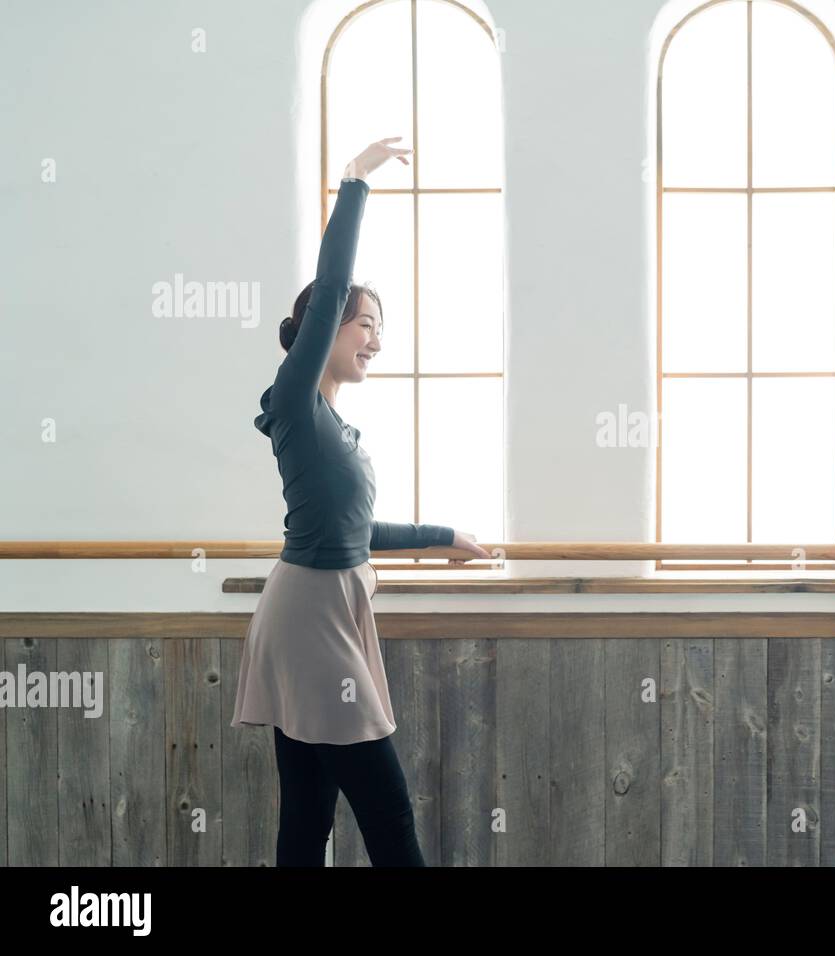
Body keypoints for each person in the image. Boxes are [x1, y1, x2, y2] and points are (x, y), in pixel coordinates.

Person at [230, 137, 491, 867]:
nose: (376, 339)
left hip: (327, 606)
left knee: (308, 815)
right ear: (328, 327)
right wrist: (353, 182)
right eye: (365, 324)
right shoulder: (294, 396)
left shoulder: (335, 428)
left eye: (379, 326)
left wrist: (447, 535)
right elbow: (332, 275)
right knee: (389, 815)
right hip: (311, 617)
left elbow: (355, 529)